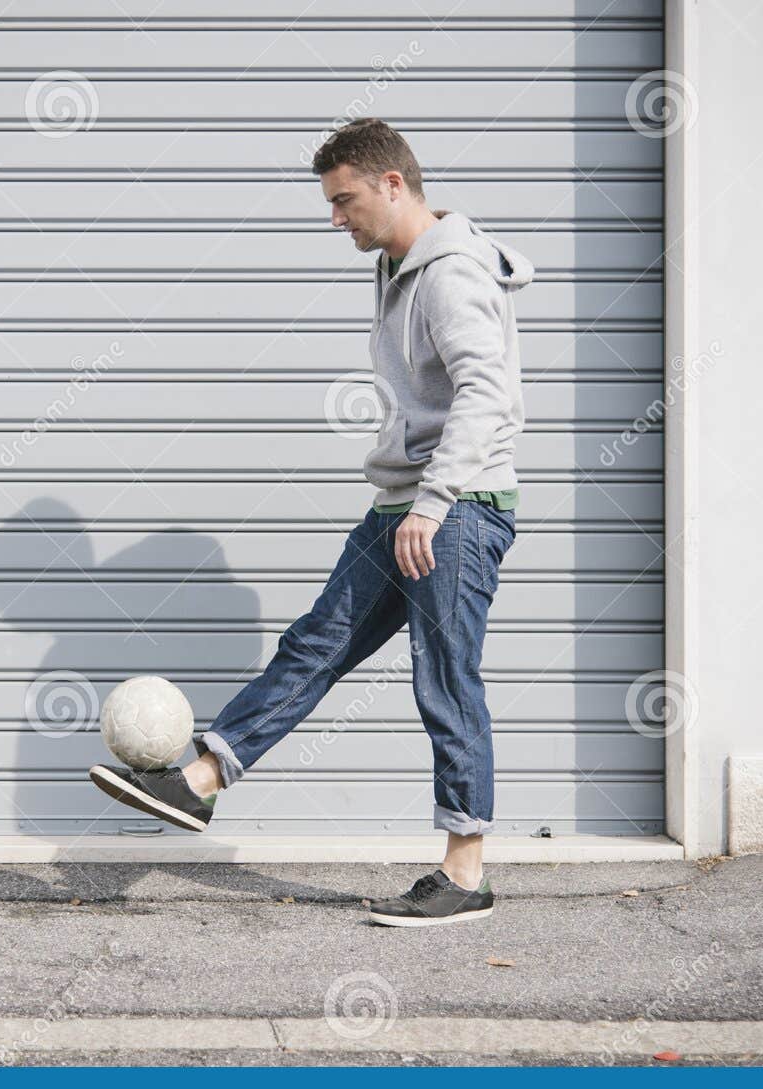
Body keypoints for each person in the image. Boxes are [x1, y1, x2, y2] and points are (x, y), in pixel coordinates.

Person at [88, 118, 531, 927]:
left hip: (456, 508)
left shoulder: (450, 271)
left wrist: (433, 504)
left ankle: (466, 873)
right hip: (408, 502)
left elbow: (485, 394)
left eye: (345, 200)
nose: (336, 219)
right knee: (318, 640)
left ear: (392, 185)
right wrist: (413, 499)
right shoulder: (400, 266)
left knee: (445, 673)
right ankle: (199, 784)